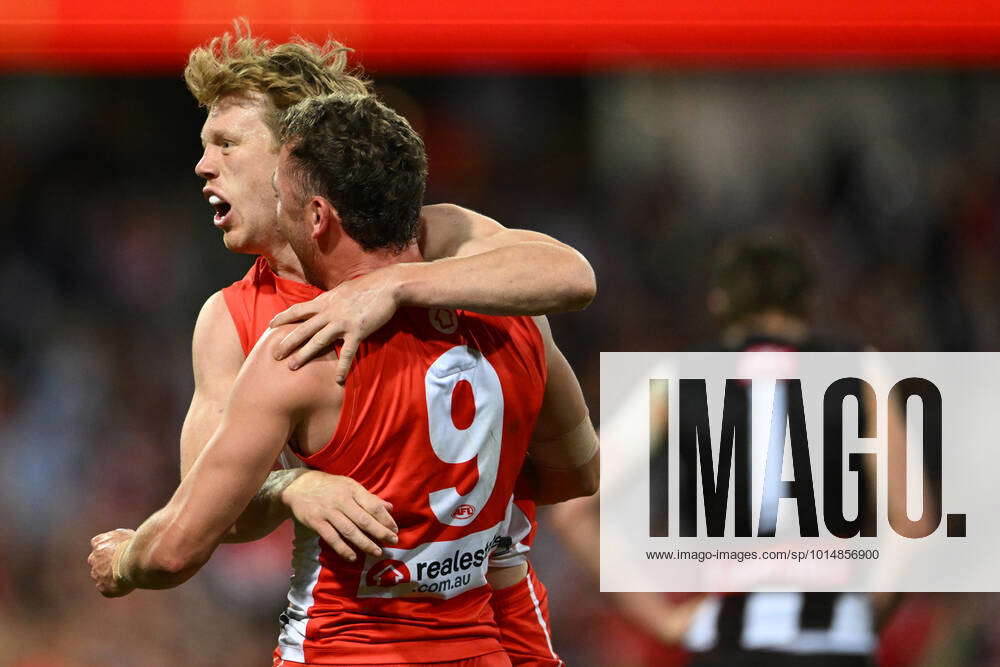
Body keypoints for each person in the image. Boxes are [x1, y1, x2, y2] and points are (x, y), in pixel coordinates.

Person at [88, 92, 599, 665]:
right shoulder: (515, 314)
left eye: (228, 144)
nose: (205, 164)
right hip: (483, 641)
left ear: (312, 209)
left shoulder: (293, 347)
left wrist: (128, 560)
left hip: (348, 647)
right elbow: (576, 471)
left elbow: (185, 539)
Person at [552, 235, 922, 667]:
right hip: (833, 634)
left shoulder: (679, 376)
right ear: (808, 300)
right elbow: (913, 520)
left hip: (729, 639)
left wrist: (662, 620)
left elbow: (574, 509)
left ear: (720, 302)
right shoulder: (861, 367)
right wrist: (866, 613)